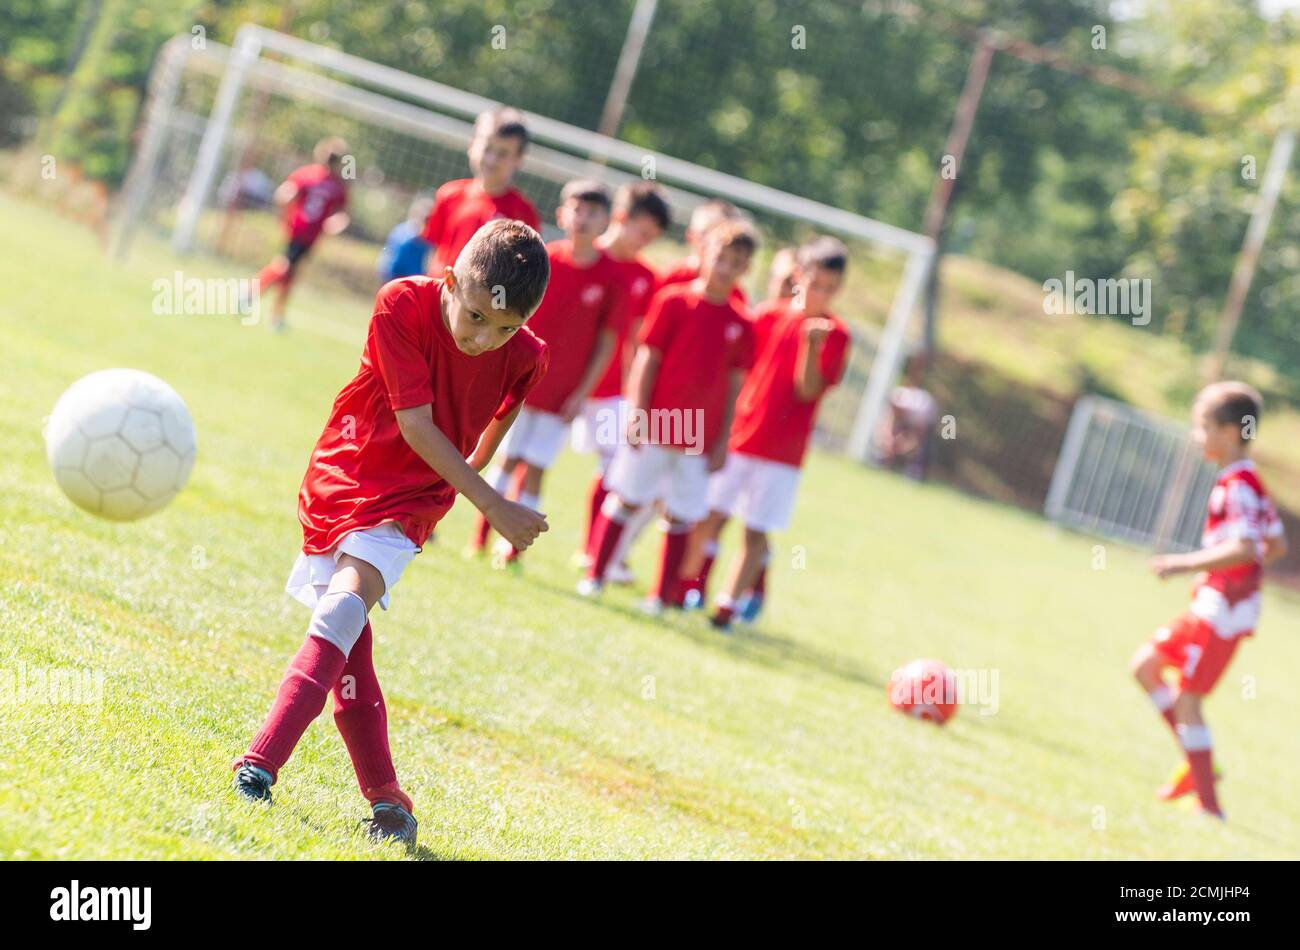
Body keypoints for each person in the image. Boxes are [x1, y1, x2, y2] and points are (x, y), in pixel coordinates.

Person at [231, 220, 552, 847]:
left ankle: (259, 764)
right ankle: (386, 798)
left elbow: (486, 438)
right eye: (479, 317)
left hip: (412, 500)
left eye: (507, 327)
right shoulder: (402, 303)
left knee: (343, 607)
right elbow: (416, 425)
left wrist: (448, 497)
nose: (487, 339)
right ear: (453, 280)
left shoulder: (528, 358)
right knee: (349, 643)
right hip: (346, 468)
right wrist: (491, 506)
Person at [581, 221, 757, 614]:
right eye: (720, 258)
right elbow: (648, 357)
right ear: (704, 255)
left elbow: (733, 387)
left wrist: (722, 440)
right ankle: (594, 574)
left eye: (735, 263)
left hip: (700, 434)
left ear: (745, 269)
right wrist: (637, 411)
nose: (725, 268)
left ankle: (659, 597)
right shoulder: (674, 300)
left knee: (681, 514)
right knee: (627, 497)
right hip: (659, 422)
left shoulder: (740, 324)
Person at [1129, 381, 1287, 819]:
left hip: (1221, 613)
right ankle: (1198, 764)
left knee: (1188, 702)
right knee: (1144, 665)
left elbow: (1247, 548)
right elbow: (1275, 543)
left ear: (1231, 432)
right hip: (1213, 604)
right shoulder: (1250, 481)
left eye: (1203, 427)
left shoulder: (1237, 485)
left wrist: (1188, 565)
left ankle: (1209, 804)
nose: (1197, 435)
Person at [682, 237, 852, 630]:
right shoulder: (766, 316)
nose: (821, 294)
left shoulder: (836, 334)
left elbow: (808, 390)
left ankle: (727, 607)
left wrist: (813, 346)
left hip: (783, 454)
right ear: (799, 277)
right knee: (710, 515)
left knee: (755, 532)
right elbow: (734, 371)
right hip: (740, 437)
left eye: (830, 288)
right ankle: (690, 588)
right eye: (815, 283)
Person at [467, 180, 624, 568]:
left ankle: (515, 548)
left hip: (563, 393)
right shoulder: (543, 261)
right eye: (578, 210)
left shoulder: (611, 276)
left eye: (593, 212)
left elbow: (607, 342)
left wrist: (582, 393)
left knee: (536, 466)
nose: (584, 219)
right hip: (522, 382)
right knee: (504, 458)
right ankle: (480, 538)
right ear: (562, 214)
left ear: (606, 222)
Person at [573, 183, 671, 577]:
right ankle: (492, 538)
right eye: (642, 233)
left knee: (615, 465)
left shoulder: (647, 278)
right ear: (621, 217)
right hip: (559, 380)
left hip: (612, 390)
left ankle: (592, 551)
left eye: (652, 238)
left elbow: (638, 340)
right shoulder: (582, 258)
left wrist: (635, 395)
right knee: (524, 456)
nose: (644, 243)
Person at [423, 107, 540, 273]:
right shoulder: (449, 194)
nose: (492, 160)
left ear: (518, 159)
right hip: (441, 293)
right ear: (472, 145)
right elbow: (434, 251)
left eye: (503, 153)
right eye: (487, 149)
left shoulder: (523, 213)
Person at [255, 137, 351, 331]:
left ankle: (277, 315)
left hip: (306, 233)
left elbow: (283, 195)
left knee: (291, 273)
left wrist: (283, 213)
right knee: (284, 266)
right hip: (299, 231)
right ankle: (250, 292)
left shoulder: (310, 176)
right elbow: (285, 195)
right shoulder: (332, 183)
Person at [875, 354, 938, 481]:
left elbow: (921, 431)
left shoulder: (924, 400)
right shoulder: (899, 394)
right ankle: (883, 461)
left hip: (913, 435)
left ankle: (913, 469)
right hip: (898, 432)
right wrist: (889, 439)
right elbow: (889, 420)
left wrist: (906, 443)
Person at [378, 194, 435, 283]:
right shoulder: (406, 237)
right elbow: (391, 264)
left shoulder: (426, 242)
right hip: (396, 279)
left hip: (411, 281)